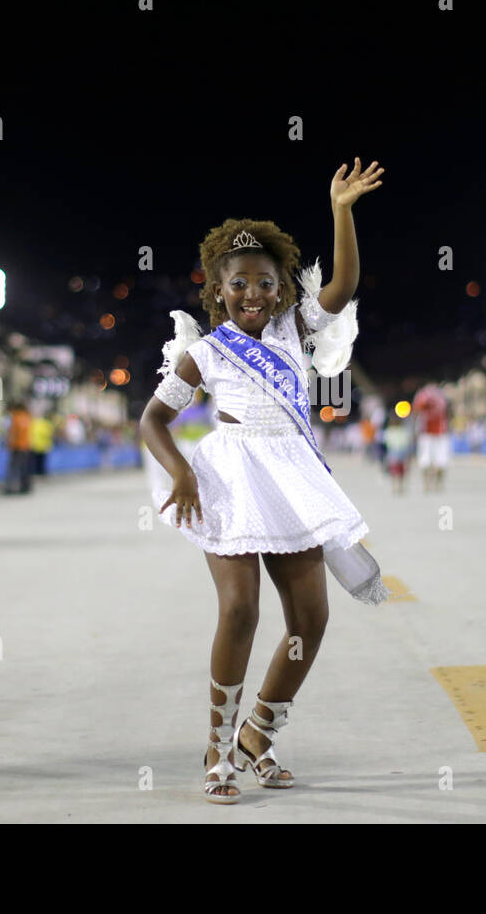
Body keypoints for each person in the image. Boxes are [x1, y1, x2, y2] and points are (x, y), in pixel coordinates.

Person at [139, 158, 387, 806]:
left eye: (266, 283)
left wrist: (341, 211)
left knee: (311, 616)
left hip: (290, 478)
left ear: (280, 291)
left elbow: (343, 284)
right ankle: (218, 749)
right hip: (228, 482)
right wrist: (183, 472)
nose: (253, 294)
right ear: (220, 291)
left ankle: (260, 731)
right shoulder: (205, 352)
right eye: (240, 284)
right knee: (240, 609)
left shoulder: (291, 330)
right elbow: (153, 420)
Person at [413, 382, 450, 491]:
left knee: (427, 460)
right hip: (438, 432)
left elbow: (416, 411)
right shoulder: (441, 395)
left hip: (429, 432)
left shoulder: (423, 395)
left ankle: (428, 483)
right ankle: (437, 484)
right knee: (439, 460)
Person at [5, 402, 32, 493]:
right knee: (24, 468)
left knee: (14, 468)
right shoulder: (27, 417)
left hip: (17, 446)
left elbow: (14, 433)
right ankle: (25, 486)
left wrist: (9, 443)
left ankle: (12, 488)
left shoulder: (16, 418)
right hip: (25, 446)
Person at [382, 414, 411, 493]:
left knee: (394, 471)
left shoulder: (389, 431)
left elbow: (386, 442)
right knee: (400, 472)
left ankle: (395, 487)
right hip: (399, 452)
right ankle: (399, 487)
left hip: (393, 452)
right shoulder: (402, 431)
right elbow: (406, 442)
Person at [29, 411, 54, 476]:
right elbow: (49, 434)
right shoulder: (46, 424)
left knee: (37, 460)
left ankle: (37, 472)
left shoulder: (34, 423)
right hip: (41, 446)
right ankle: (40, 472)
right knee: (40, 460)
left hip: (37, 445)